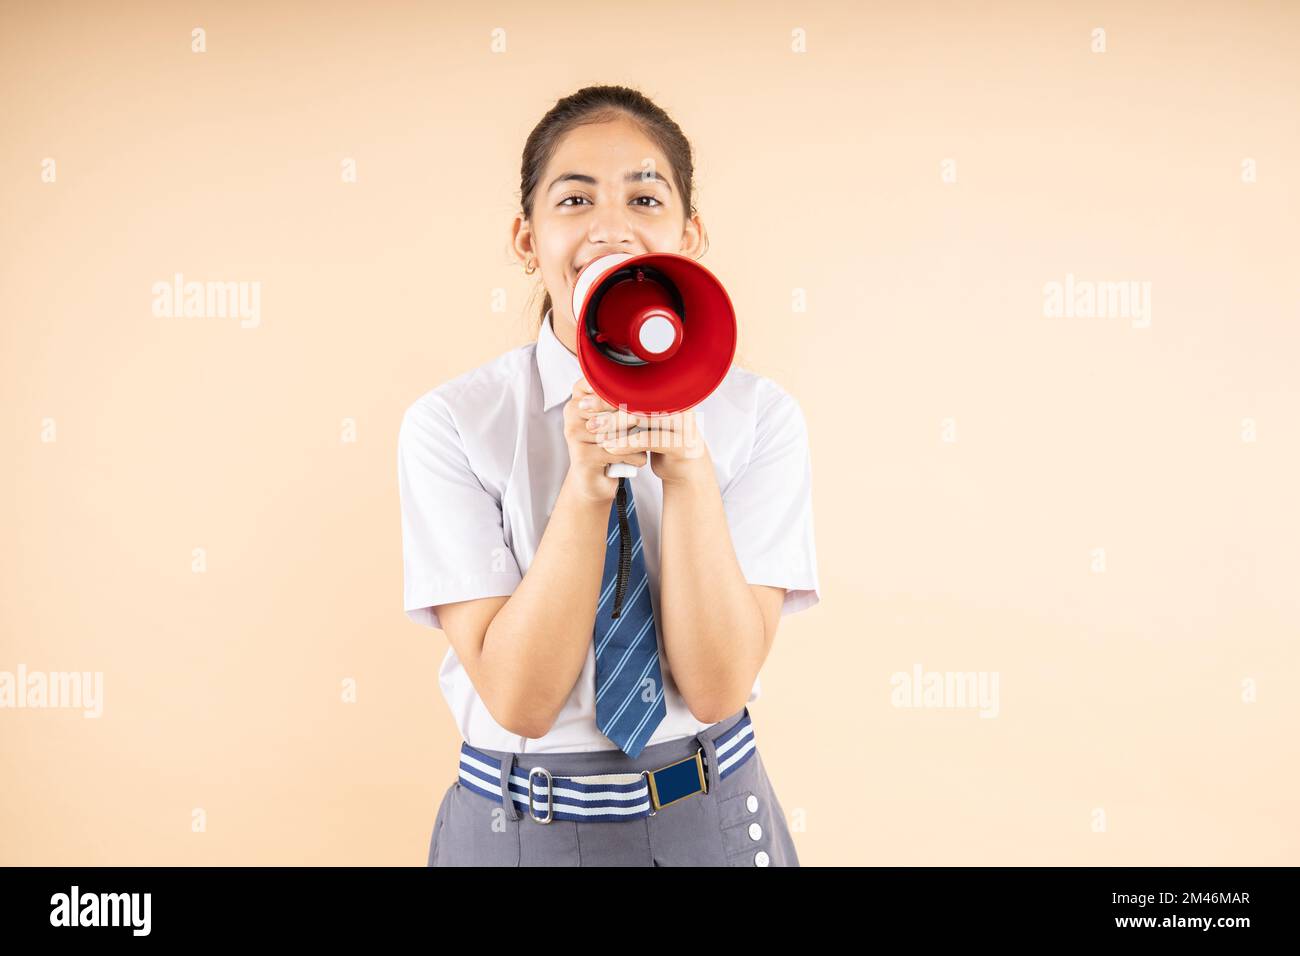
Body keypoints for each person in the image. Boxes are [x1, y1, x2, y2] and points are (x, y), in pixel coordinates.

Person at [398, 85, 820, 866]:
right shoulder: (453, 424)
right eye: (575, 199)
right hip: (518, 831)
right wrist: (585, 486)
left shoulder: (759, 416)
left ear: (689, 235)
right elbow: (520, 700)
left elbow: (717, 688)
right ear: (528, 240)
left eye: (645, 196)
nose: (610, 226)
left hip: (711, 818)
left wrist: (689, 473)